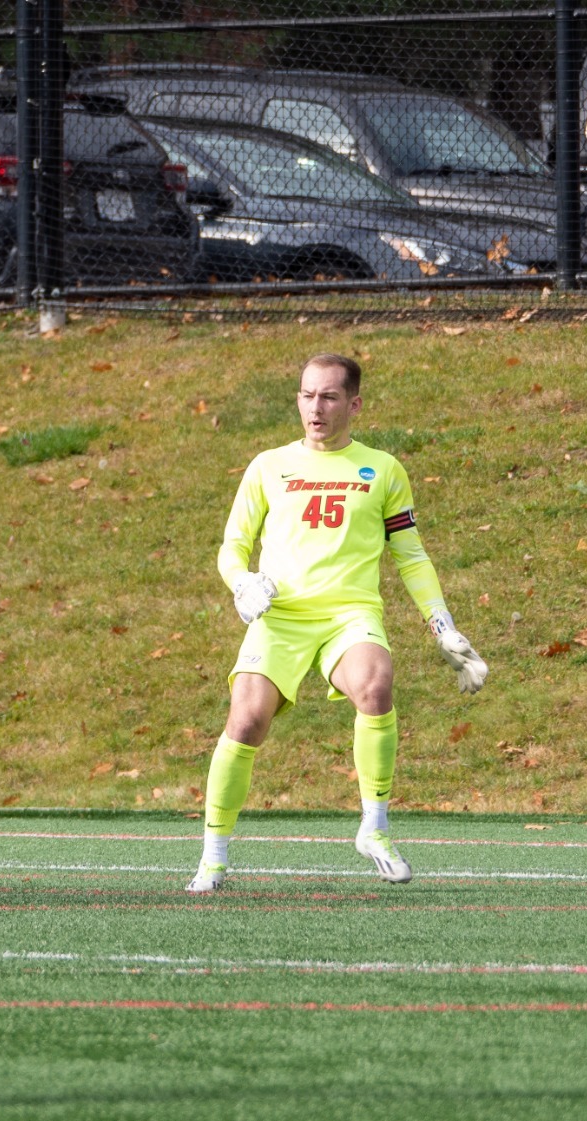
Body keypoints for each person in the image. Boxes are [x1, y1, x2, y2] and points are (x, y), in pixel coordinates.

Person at [187, 353, 488, 893]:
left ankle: (375, 830)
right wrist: (241, 582)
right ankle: (213, 858)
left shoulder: (383, 469)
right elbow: (233, 545)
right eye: (307, 395)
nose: (316, 408)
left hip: (350, 613)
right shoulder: (268, 466)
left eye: (328, 397)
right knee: (246, 722)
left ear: (354, 404)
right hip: (281, 616)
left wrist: (442, 625)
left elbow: (411, 556)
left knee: (375, 687)